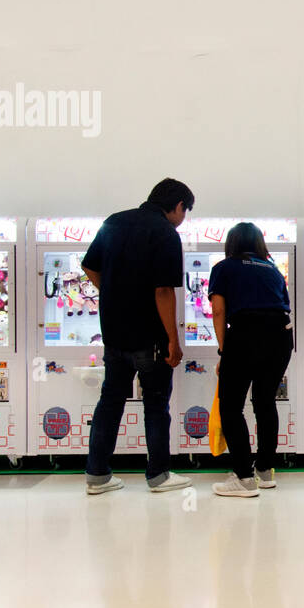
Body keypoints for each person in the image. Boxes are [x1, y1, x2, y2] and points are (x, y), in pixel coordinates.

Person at [80, 178, 196, 496]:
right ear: (177, 207)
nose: (183, 218)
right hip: (151, 339)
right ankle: (158, 475)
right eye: (185, 211)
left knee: (110, 401)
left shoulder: (114, 222)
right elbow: (162, 291)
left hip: (114, 333)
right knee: (156, 404)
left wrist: (114, 293)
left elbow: (88, 266)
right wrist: (173, 340)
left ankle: (97, 475)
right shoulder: (165, 234)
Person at [208, 222, 293, 497]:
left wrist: (224, 350)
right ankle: (265, 471)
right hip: (280, 338)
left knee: (231, 406)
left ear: (232, 243)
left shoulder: (224, 267)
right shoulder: (273, 270)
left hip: (245, 334)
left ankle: (244, 478)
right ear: (259, 243)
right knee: (265, 402)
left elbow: (219, 312)